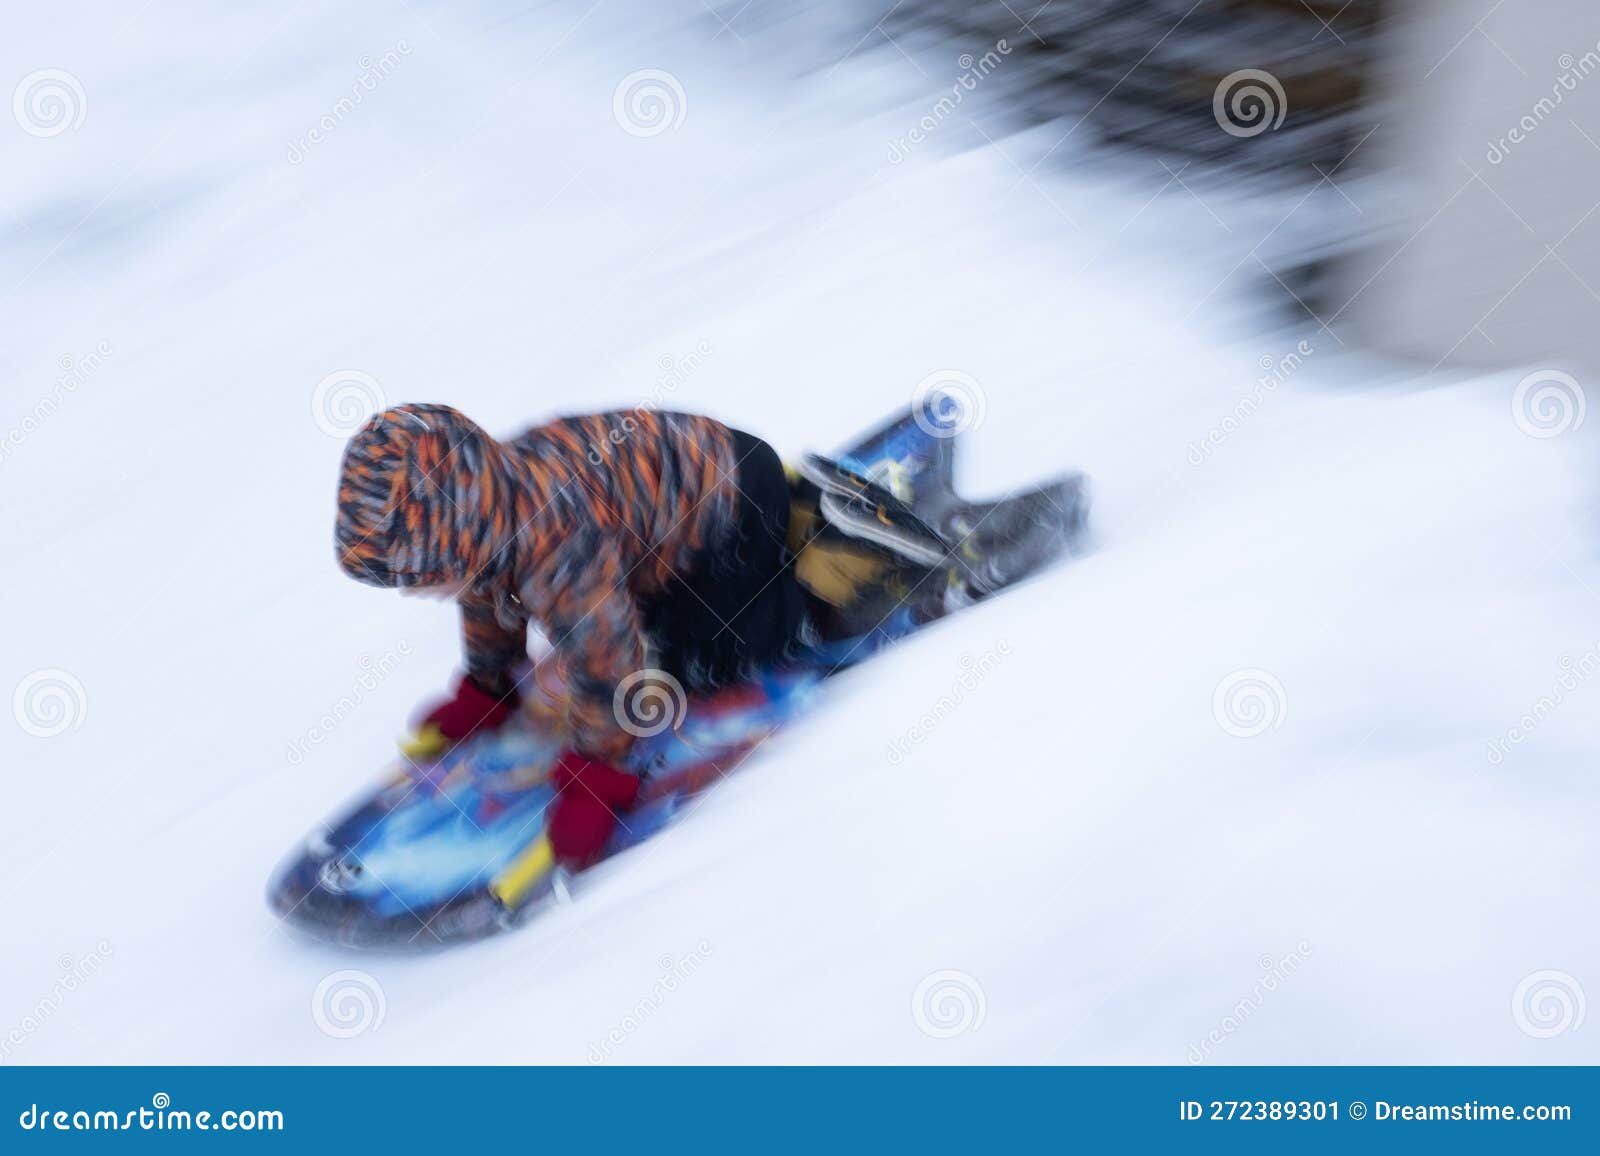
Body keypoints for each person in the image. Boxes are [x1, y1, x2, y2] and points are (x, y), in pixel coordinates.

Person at [334, 403, 939, 868]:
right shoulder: (494, 503)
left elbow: (607, 665)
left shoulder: (555, 543)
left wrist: (598, 779)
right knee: (642, 626)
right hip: (676, 509)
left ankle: (839, 547)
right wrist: (488, 688)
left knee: (705, 667)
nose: (415, 593)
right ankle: (787, 532)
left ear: (461, 538)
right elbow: (489, 597)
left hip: (733, 514)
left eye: (419, 578)